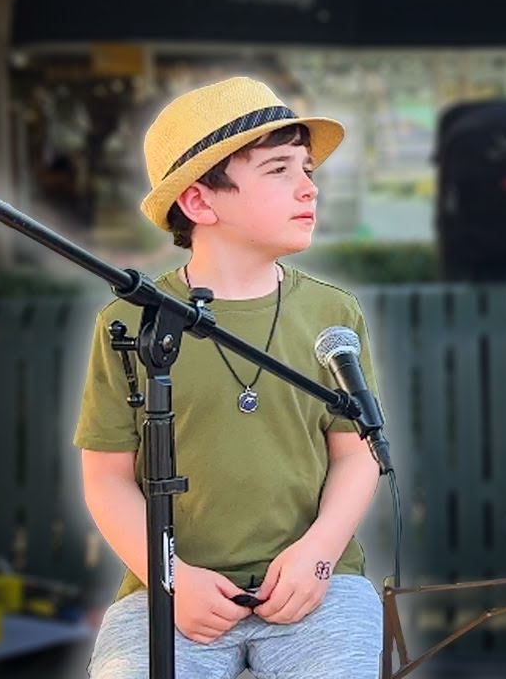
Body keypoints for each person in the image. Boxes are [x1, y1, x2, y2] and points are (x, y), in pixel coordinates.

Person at [75, 77, 383, 678]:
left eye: (308, 169)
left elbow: (358, 454)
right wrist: (172, 580)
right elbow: (106, 479)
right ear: (199, 202)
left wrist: (318, 556)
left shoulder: (332, 312)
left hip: (313, 587)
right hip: (171, 592)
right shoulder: (129, 322)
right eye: (277, 170)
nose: (308, 188)